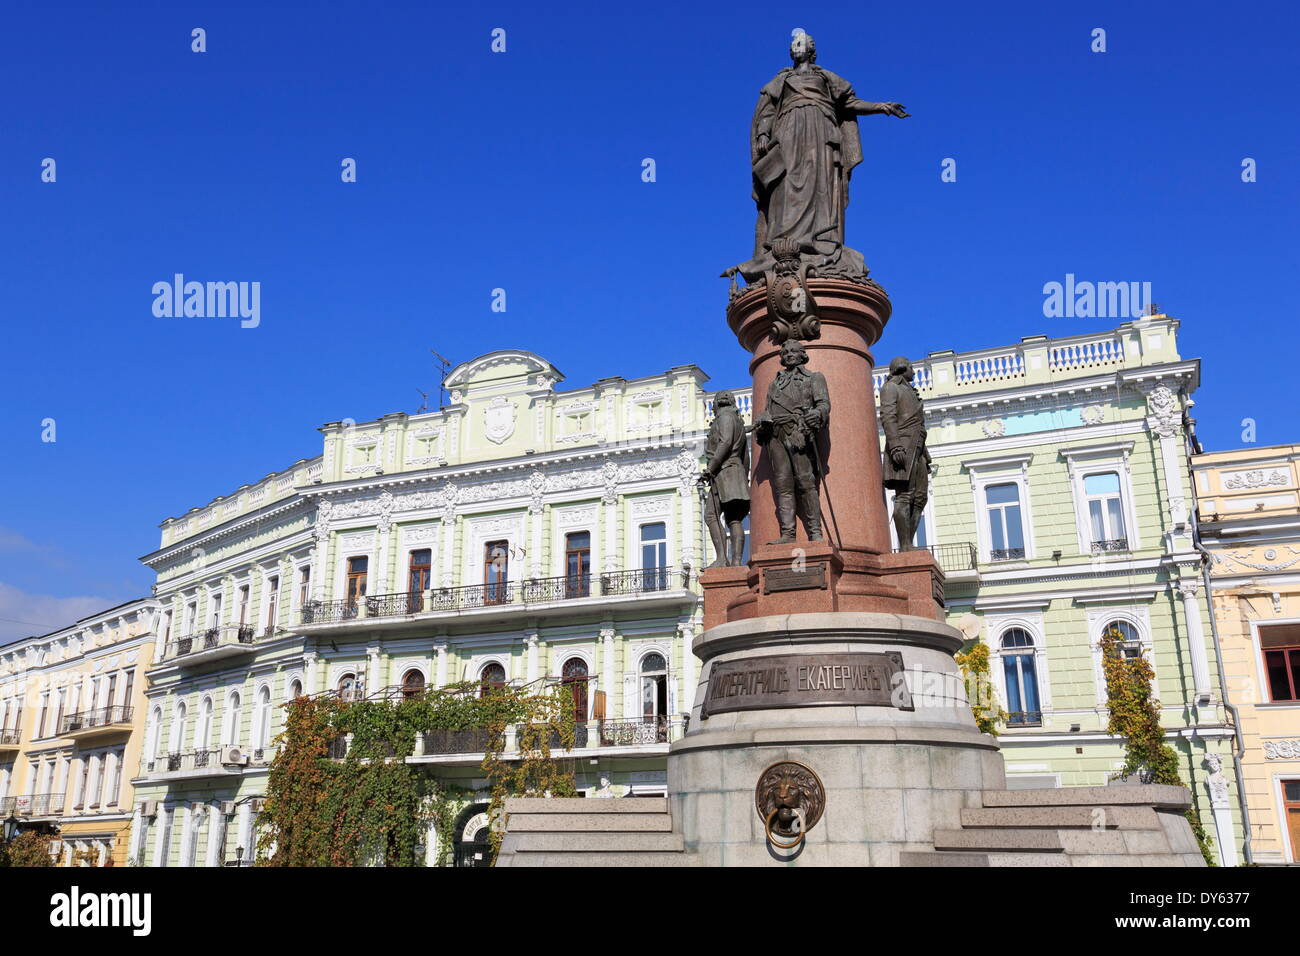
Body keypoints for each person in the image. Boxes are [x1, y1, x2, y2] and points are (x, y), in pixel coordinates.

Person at [755, 340, 829, 543]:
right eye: (785, 351)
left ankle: (815, 532)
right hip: (775, 436)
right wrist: (763, 421)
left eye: (793, 351)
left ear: (802, 355)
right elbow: (768, 409)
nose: (788, 354)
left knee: (806, 482)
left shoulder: (814, 378)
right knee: (783, 484)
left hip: (798, 431)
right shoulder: (774, 384)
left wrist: (816, 414)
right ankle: (788, 534)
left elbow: (823, 404)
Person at [879, 356, 930, 550]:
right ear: (902, 368)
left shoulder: (910, 390)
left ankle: (909, 541)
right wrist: (896, 446)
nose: (914, 371)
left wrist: (924, 453)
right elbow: (888, 417)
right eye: (911, 367)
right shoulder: (891, 387)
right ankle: (905, 544)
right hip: (903, 446)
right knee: (905, 496)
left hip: (918, 448)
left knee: (920, 497)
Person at [702, 390, 751, 567]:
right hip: (735, 472)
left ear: (717, 404)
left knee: (711, 515)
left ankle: (722, 558)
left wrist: (711, 467)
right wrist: (744, 476)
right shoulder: (738, 421)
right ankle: (737, 562)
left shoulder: (724, 418)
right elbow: (746, 456)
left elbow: (725, 442)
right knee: (734, 518)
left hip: (724, 473)